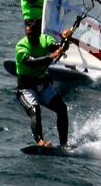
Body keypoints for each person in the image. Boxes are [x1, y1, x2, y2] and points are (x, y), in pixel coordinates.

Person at [14, 19, 73, 148]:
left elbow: (59, 49)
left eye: (33, 34)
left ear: (38, 33)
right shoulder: (21, 46)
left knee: (62, 109)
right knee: (35, 111)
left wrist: (65, 39)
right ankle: (40, 142)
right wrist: (50, 57)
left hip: (43, 85)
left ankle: (64, 144)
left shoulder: (45, 39)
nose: (30, 37)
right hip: (26, 88)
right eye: (28, 34)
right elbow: (32, 62)